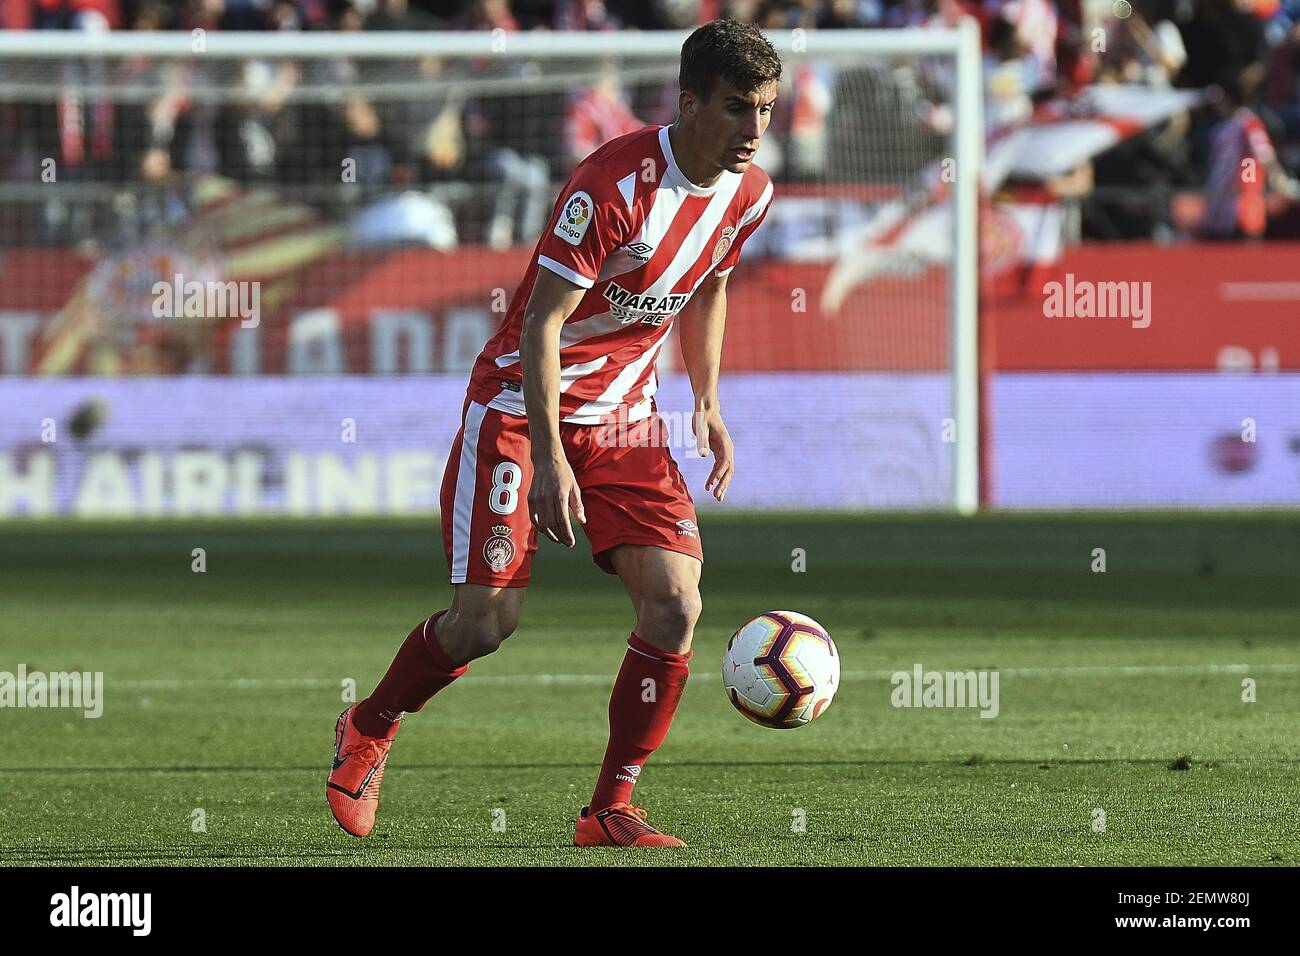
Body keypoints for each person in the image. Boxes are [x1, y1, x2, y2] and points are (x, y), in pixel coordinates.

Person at [326, 19, 780, 848]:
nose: (755, 131)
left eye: (767, 111)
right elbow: (540, 325)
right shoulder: (610, 189)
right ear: (689, 104)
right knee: (484, 626)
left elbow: (710, 286)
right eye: (739, 109)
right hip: (517, 408)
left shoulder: (750, 194)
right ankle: (370, 723)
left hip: (627, 419)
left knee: (676, 606)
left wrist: (707, 399)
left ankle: (609, 808)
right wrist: (547, 462)